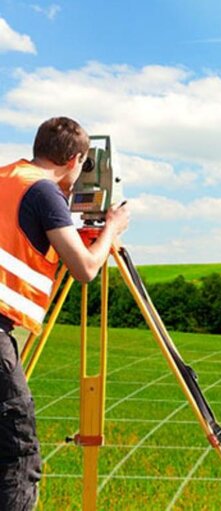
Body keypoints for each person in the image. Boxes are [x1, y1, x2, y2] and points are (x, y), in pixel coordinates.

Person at [0, 117, 130, 510]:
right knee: (18, 455)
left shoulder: (8, 177)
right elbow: (85, 269)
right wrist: (112, 229)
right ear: (75, 159)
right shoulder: (43, 192)